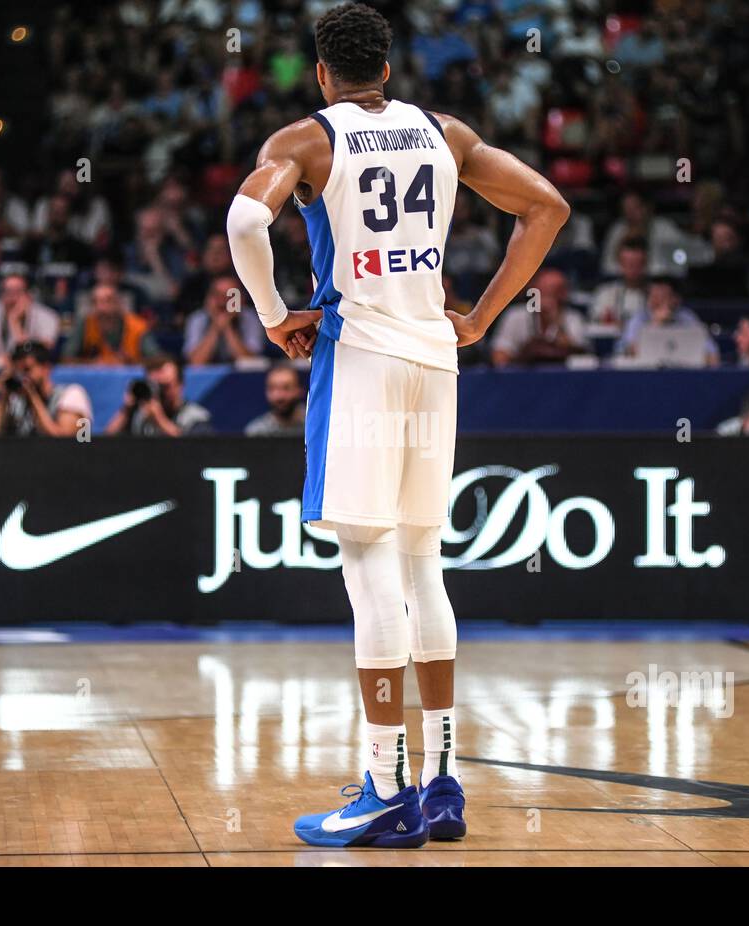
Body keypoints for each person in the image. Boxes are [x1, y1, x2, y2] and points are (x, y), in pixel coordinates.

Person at [225, 1, 569, 848]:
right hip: (435, 359)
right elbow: (548, 205)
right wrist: (483, 317)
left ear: (321, 73)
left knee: (370, 566)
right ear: (387, 66)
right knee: (426, 566)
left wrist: (272, 315)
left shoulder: (305, 141)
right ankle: (443, 783)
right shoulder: (444, 132)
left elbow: (243, 222)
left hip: (365, 359)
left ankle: (384, 786)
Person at [0, 341, 91, 437]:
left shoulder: (71, 394)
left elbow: (63, 441)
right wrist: (4, 397)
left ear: (46, 368)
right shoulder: (17, 400)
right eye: (17, 371)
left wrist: (33, 397)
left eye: (27, 369)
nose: (22, 376)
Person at [490, 267, 589, 366]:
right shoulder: (515, 316)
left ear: (563, 295)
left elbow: (581, 358)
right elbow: (499, 358)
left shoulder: (573, 319)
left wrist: (556, 323)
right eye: (543, 291)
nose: (546, 298)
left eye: (553, 292)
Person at [105, 354, 212, 436]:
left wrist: (160, 420)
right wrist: (126, 410)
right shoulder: (140, 415)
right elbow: (105, 444)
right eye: (153, 385)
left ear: (180, 385)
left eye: (164, 386)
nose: (159, 392)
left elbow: (195, 451)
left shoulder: (195, 417)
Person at [63, 283, 163, 364]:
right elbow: (66, 359)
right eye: (95, 302)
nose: (101, 308)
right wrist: (91, 364)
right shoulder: (85, 324)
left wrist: (131, 362)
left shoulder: (137, 326)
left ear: (118, 303)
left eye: (107, 301)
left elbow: (156, 360)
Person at [183, 275, 266, 365]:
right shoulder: (197, 319)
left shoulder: (250, 318)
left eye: (231, 296)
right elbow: (196, 362)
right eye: (217, 295)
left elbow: (250, 362)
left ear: (242, 299)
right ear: (208, 298)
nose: (223, 301)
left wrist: (227, 328)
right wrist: (215, 327)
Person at [245, 364, 306, 436]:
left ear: (299, 391)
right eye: (272, 389)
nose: (279, 396)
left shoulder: (314, 425)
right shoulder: (257, 432)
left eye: (286, 388)